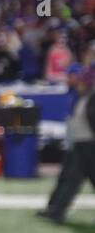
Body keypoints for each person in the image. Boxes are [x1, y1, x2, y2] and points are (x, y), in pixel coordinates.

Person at [36, 65, 95, 224]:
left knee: (71, 180)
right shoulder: (82, 97)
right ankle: (55, 210)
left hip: (89, 145)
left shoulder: (90, 98)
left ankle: (56, 211)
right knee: (69, 179)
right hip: (80, 144)